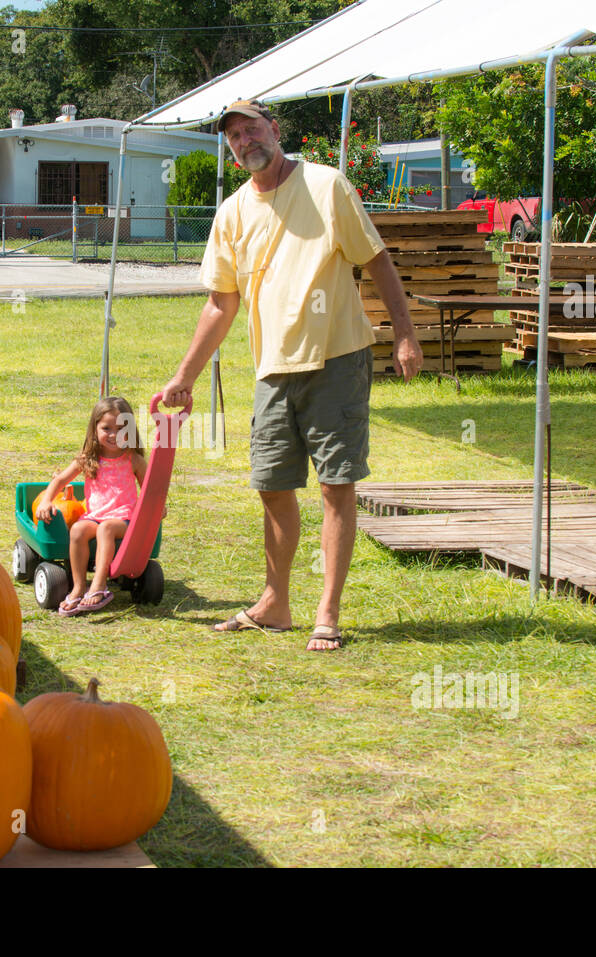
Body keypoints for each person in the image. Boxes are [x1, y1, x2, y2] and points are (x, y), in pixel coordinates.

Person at [159, 99, 423, 651]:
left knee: (335, 484)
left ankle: (327, 611)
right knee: (273, 487)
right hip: (273, 369)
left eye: (251, 128)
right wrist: (184, 376)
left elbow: (376, 261)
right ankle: (275, 603)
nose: (244, 140)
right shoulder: (232, 213)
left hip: (336, 358)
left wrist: (404, 332)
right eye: (233, 136)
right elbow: (220, 304)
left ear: (274, 131)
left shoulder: (327, 186)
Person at [36, 396, 147, 616]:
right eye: (106, 428)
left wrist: (156, 508)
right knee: (77, 529)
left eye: (121, 428)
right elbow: (59, 481)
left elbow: (149, 489)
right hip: (95, 516)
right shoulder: (88, 459)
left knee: (106, 528)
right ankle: (78, 586)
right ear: (94, 429)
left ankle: (99, 585)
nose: (114, 435)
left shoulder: (133, 459)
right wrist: (47, 500)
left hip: (124, 519)